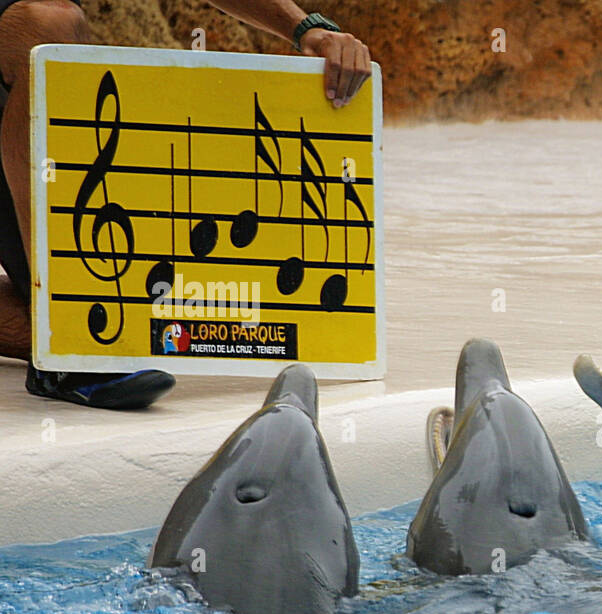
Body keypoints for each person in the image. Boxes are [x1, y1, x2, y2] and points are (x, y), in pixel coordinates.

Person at [0, 0, 371, 408]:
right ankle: (69, 339)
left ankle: (65, 337)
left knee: (124, 319)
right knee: (42, 22)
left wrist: (308, 29)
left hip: (18, 131)